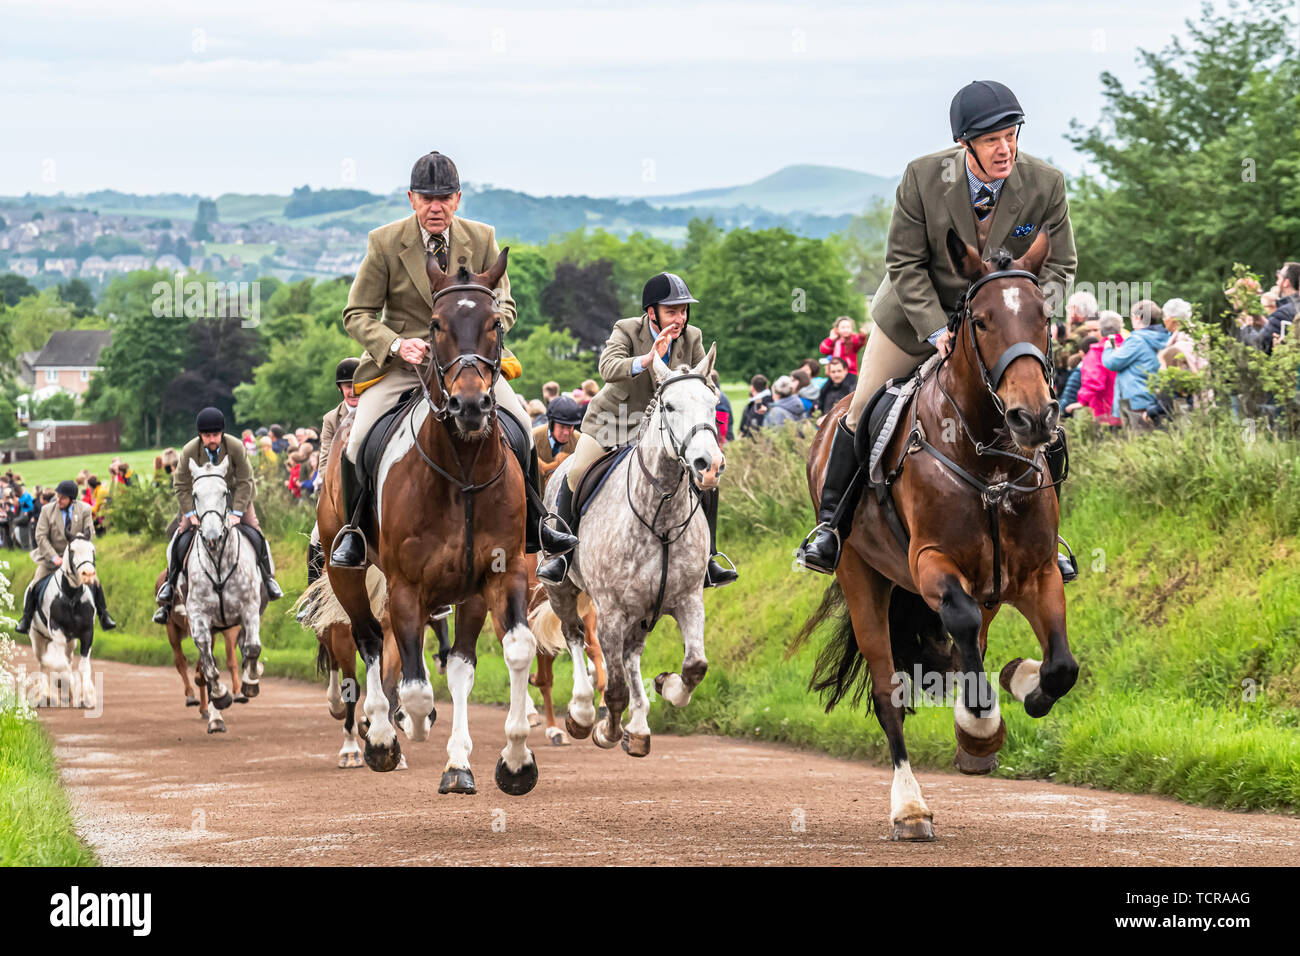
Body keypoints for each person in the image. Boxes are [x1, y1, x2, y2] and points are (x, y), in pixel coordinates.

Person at [797, 80, 1079, 581]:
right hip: (915, 314)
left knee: (1040, 416)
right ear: (964, 143)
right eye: (991, 139)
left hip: (1002, 325)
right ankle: (832, 528)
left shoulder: (1045, 182)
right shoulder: (923, 178)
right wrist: (935, 330)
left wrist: (1032, 315)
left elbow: (1061, 265)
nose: (1005, 148)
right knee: (862, 407)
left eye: (1011, 135)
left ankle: (1048, 539)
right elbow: (904, 263)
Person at [330, 149, 573, 569]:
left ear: (458, 198)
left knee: (518, 425)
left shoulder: (481, 238)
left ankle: (537, 522)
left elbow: (505, 305)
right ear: (411, 199)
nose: (436, 206)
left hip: (468, 366)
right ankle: (355, 531)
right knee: (357, 439)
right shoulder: (385, 242)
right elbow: (357, 314)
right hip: (404, 367)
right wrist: (396, 345)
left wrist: (479, 336)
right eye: (427, 198)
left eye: (444, 197)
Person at [536, 272, 736, 588]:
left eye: (683, 310)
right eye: (672, 311)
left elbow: (703, 379)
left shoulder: (693, 337)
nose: (680, 318)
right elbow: (607, 367)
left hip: (665, 428)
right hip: (614, 420)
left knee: (707, 478)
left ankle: (709, 557)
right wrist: (646, 359)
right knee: (576, 474)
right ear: (651, 312)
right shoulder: (627, 329)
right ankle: (560, 554)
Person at [152, 407, 283, 624]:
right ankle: (170, 586)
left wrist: (238, 513)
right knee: (179, 536)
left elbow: (245, 482)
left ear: (222, 433)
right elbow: (181, 485)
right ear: (200, 435)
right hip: (200, 500)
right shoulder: (188, 451)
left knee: (256, 533)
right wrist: (191, 514)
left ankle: (268, 580)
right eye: (207, 435)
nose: (212, 440)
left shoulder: (236, 447)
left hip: (233, 497)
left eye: (215, 435)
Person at [16, 479, 116, 634]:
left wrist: (76, 552)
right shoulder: (47, 510)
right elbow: (40, 536)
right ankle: (26, 619)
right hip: (51, 559)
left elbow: (90, 533)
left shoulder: (85, 509)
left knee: (95, 583)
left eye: (63, 497)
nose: (59, 500)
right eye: (58, 496)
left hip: (76, 560)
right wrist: (54, 557)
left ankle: (104, 615)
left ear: (72, 499)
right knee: (34, 585)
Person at [304, 358, 360, 597]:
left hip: (374, 486)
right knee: (317, 536)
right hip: (339, 489)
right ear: (340, 388)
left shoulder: (380, 410)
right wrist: (330, 489)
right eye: (347, 385)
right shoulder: (331, 419)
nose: (352, 389)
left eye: (356, 383)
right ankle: (313, 596)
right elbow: (325, 458)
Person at [1102, 299, 1170, 431]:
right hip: (1156, 399)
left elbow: (1112, 362)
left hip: (1137, 401)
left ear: (1138, 317)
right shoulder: (1164, 337)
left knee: (1139, 441)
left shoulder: (1137, 340)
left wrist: (1108, 349)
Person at [1069, 312, 1123, 426]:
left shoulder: (1096, 351)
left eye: (1095, 330)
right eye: (1088, 331)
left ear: (1104, 329)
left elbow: (1093, 379)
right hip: (1126, 411)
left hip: (1104, 411)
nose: (1091, 335)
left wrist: (1082, 401)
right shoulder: (1127, 346)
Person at [534, 395, 582, 491]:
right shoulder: (532, 437)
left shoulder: (579, 440)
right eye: (562, 426)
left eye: (569, 427)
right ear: (551, 423)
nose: (566, 432)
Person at [711, 370, 734, 444]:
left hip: (720, 441)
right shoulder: (723, 396)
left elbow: (721, 427)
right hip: (726, 438)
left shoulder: (715, 397)